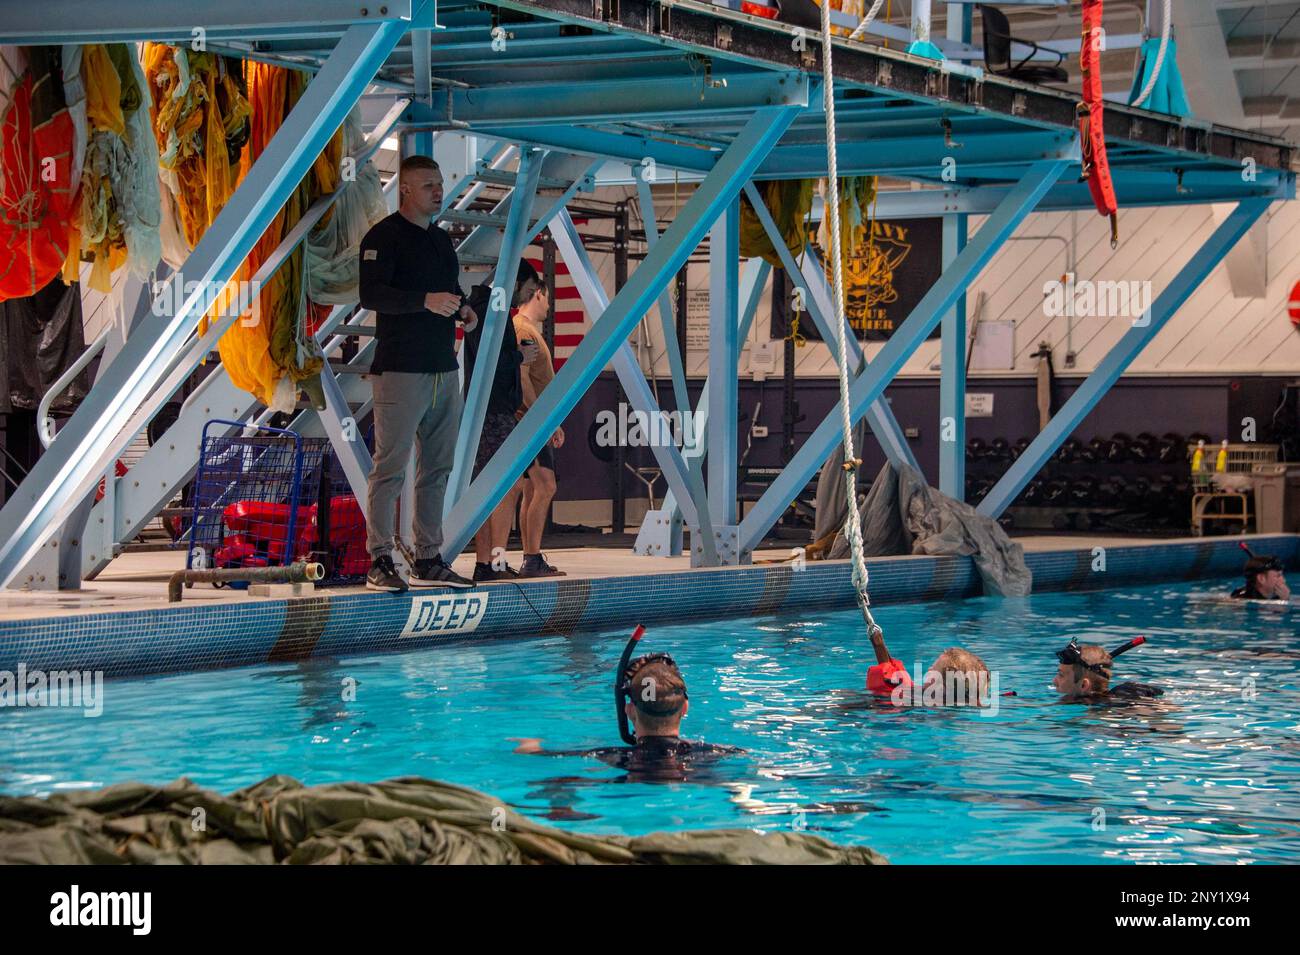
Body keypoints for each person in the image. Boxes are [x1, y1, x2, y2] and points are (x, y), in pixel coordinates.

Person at [358, 155, 475, 593]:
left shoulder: (442, 242)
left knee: (437, 468)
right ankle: (380, 559)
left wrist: (463, 310)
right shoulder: (383, 238)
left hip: (444, 368)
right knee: (390, 468)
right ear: (405, 189)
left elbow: (452, 291)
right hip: (401, 370)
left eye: (440, 184)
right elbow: (372, 295)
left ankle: (427, 559)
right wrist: (422, 301)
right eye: (428, 185)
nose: (438, 191)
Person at [512, 627, 741, 782]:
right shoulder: (717, 753)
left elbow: (535, 755)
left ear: (629, 710)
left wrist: (530, 745)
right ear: (685, 708)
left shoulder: (609, 757)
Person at [460, 260, 543, 582]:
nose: (527, 298)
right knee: (503, 488)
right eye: (528, 290)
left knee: (496, 487)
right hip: (491, 411)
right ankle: (490, 561)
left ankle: (490, 561)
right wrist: (519, 357)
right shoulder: (487, 309)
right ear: (515, 281)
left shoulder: (489, 308)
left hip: (492, 410)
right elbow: (488, 357)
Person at [512, 274, 565, 578]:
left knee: (533, 489)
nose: (550, 305)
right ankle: (531, 557)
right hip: (530, 423)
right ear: (539, 295)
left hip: (532, 421)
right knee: (545, 486)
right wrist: (542, 421)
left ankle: (530, 556)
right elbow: (522, 379)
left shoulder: (528, 330)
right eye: (547, 298)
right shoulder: (524, 331)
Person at [1052, 637, 1162, 702]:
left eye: (1061, 675)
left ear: (1083, 685)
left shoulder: (1076, 703)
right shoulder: (1127, 691)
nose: (1054, 681)